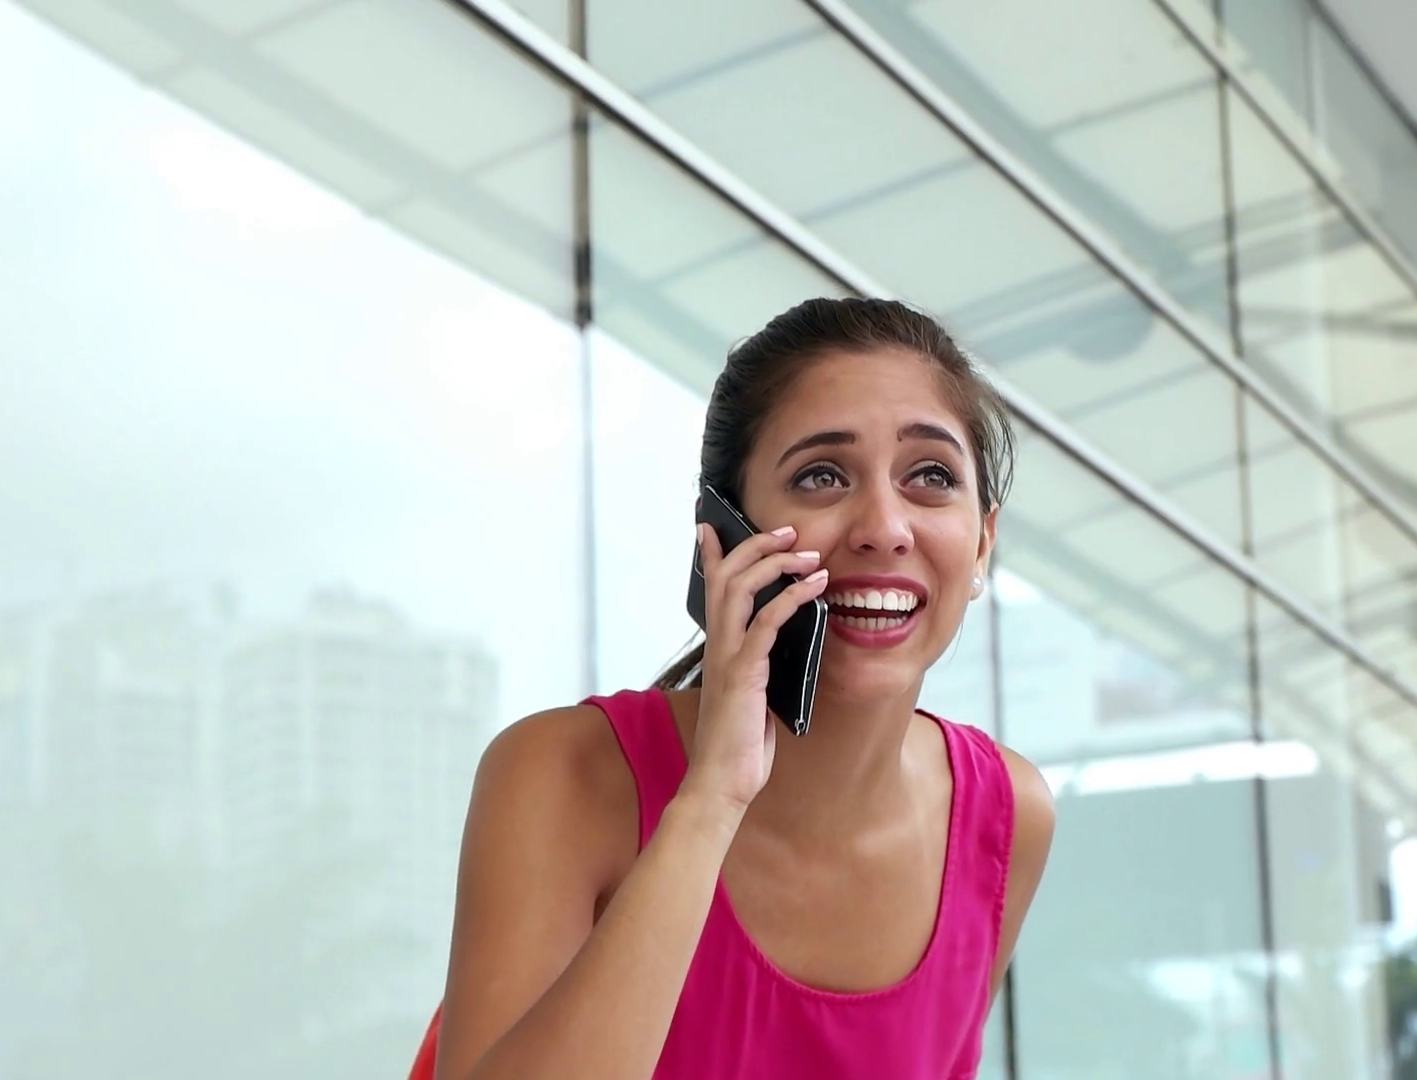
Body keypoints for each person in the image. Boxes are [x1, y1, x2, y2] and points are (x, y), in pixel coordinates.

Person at [426, 298, 1057, 1080]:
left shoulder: (1007, 818)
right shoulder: (561, 775)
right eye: (822, 476)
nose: (884, 526)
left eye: (930, 476)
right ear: (725, 534)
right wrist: (709, 804)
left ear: (984, 540)